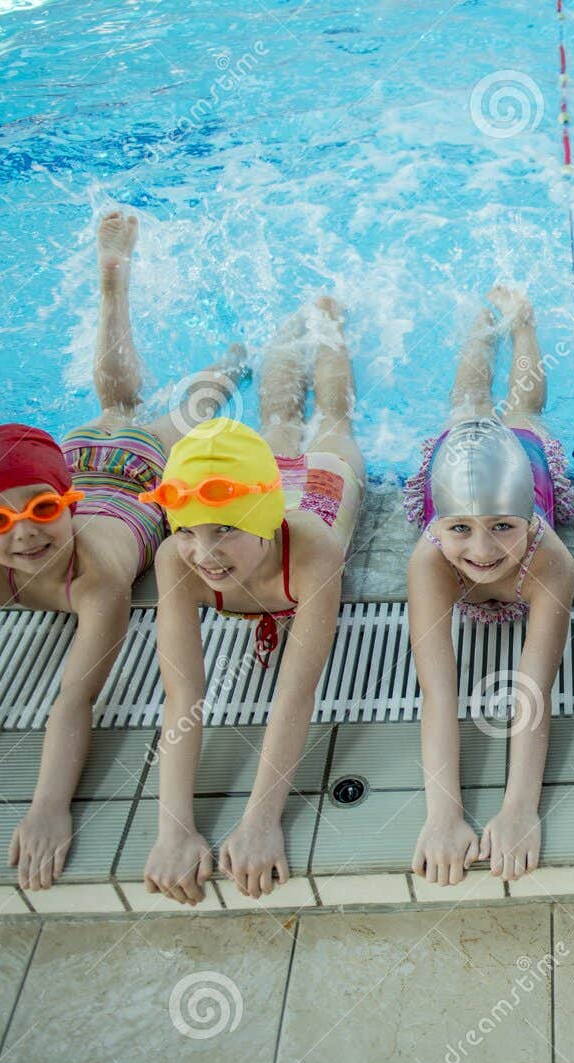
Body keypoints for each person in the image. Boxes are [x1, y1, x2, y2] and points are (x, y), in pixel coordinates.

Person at [0, 210, 245, 894]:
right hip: (66, 460)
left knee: (189, 406)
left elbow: (74, 699)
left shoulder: (99, 581)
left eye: (40, 514)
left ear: (61, 506)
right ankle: (119, 289)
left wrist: (47, 809)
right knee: (129, 398)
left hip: (135, 469)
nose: (25, 534)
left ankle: (190, 334)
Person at [141, 296, 363, 906]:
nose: (204, 554)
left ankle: (328, 326)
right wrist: (174, 829)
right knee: (277, 421)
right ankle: (286, 330)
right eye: (187, 530)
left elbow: (295, 691)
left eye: (222, 532)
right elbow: (183, 694)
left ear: (262, 524)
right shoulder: (177, 561)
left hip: (321, 481)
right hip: (261, 490)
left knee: (333, 426)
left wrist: (262, 818)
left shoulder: (312, 553)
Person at [402, 287, 574, 887]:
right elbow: (439, 694)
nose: (481, 551)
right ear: (437, 525)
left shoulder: (548, 560)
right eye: (461, 533)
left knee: (525, 410)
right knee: (465, 406)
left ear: (528, 524)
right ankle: (481, 330)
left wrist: (519, 807)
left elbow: (534, 689)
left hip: (522, 460)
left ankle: (522, 322)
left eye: (502, 529)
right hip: (459, 468)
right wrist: (442, 814)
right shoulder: (430, 560)